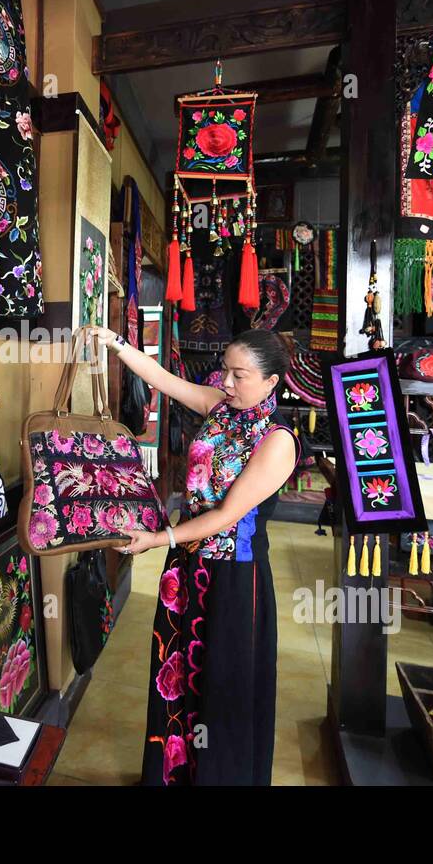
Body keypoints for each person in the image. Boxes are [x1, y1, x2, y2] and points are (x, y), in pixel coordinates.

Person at [85, 325, 300, 785]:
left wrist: (159, 538)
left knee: (221, 682)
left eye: (238, 375)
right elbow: (163, 380)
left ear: (271, 382)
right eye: (225, 370)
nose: (225, 382)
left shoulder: (278, 440)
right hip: (187, 564)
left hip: (234, 577)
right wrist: (115, 343)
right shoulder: (221, 411)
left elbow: (226, 515)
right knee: (178, 670)